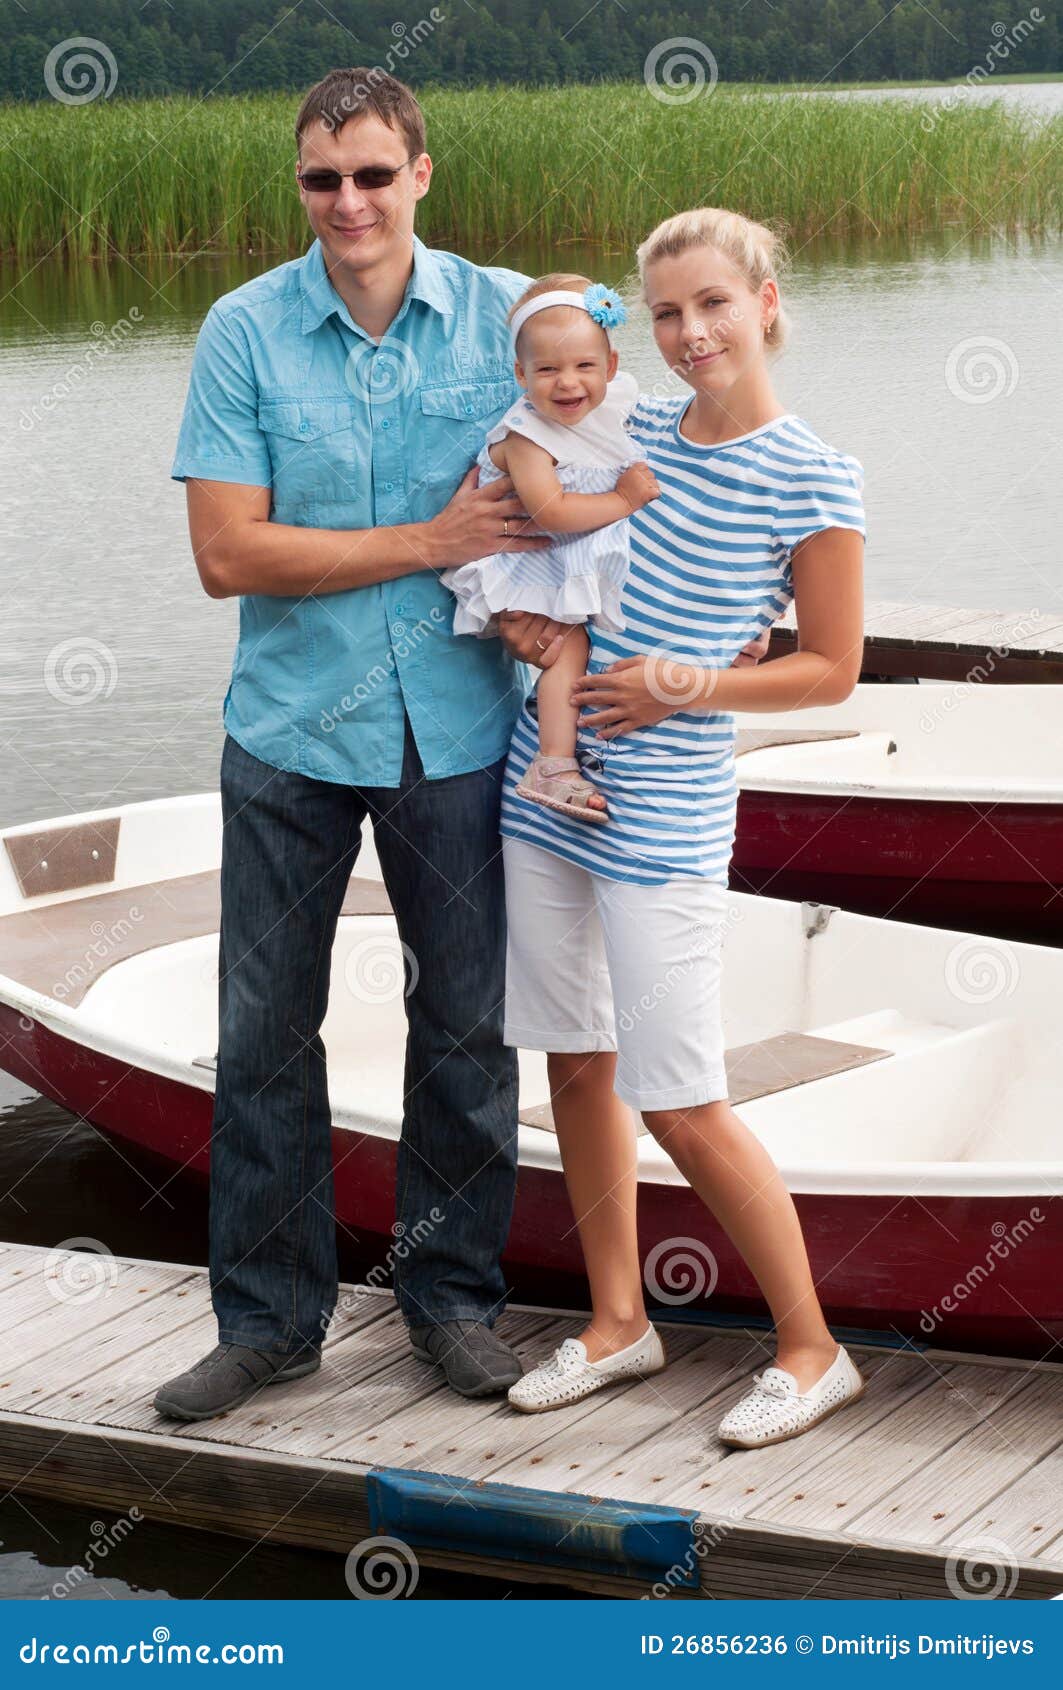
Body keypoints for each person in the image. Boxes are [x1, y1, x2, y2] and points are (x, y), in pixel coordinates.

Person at [153, 67, 551, 1420]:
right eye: (323, 179)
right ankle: (268, 1322)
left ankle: (449, 1302)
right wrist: (427, 544)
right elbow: (225, 553)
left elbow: (621, 458)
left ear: (421, 174)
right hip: (286, 734)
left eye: (373, 174)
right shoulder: (243, 331)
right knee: (262, 1029)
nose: (348, 202)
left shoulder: (510, 316)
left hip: (462, 726)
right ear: (300, 185)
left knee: (464, 1022)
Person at [498, 207, 868, 1448]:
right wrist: (517, 616)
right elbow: (519, 491)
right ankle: (618, 1322)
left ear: (765, 300)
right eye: (664, 312)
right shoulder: (625, 422)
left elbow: (828, 669)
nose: (689, 331)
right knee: (574, 1058)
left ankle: (813, 1351)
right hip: (543, 787)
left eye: (712, 303)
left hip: (664, 811)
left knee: (681, 1094)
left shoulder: (813, 469)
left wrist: (691, 682)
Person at [442, 274, 659, 823]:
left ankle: (570, 755)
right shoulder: (525, 437)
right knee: (568, 648)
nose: (568, 384)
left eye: (585, 366)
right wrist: (624, 500)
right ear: (521, 375)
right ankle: (553, 764)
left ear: (610, 367)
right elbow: (551, 512)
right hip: (523, 561)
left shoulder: (611, 409)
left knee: (583, 647)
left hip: (561, 556)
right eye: (547, 370)